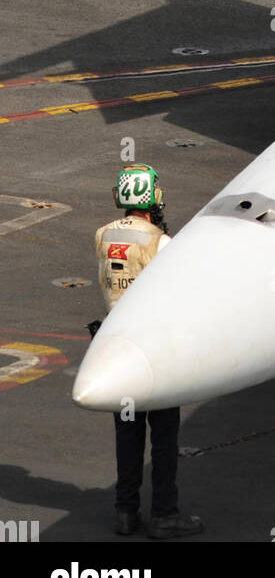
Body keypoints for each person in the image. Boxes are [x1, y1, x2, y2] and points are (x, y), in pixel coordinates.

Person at [93, 165, 203, 540]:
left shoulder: (103, 235)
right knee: (165, 437)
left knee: (128, 436)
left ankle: (125, 512)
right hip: (155, 353)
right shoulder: (161, 241)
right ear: (152, 196)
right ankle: (164, 513)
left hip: (116, 347)